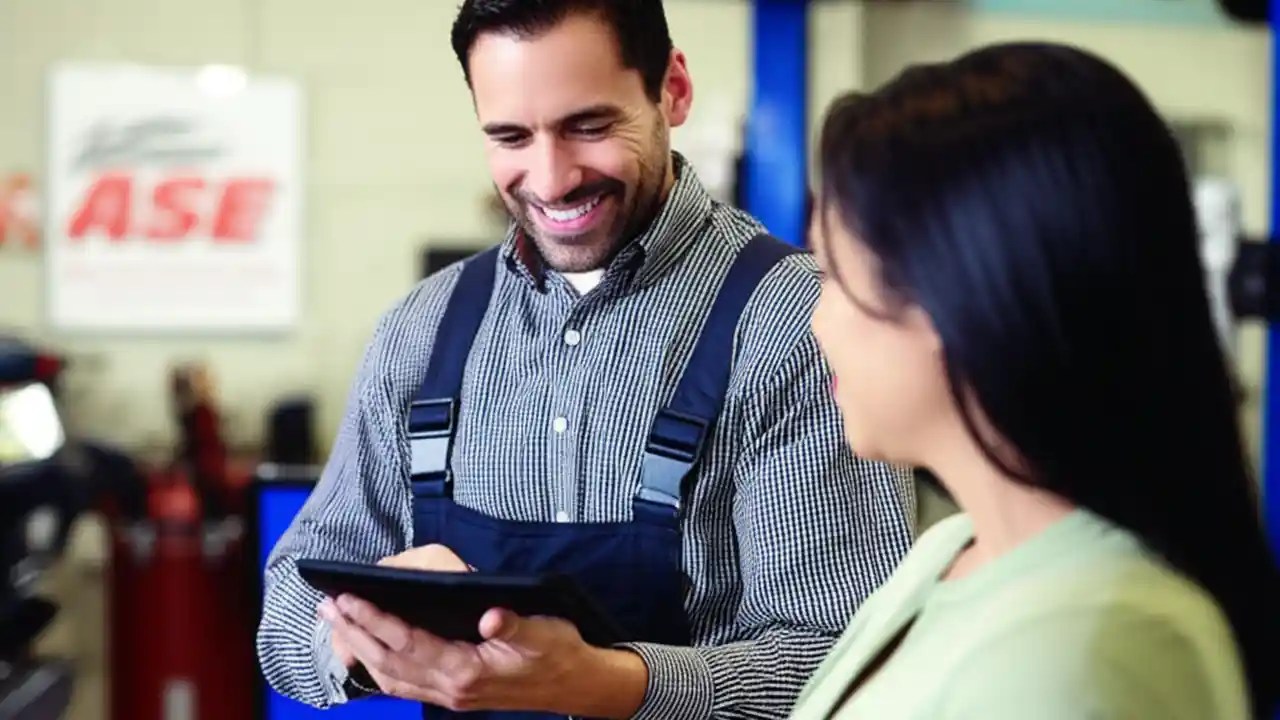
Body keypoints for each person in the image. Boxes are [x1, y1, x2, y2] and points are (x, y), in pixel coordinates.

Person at [256, 1, 916, 718]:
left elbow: (846, 663)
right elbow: (288, 611)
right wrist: (371, 631)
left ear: (673, 89)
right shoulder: (422, 331)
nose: (551, 179)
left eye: (588, 126)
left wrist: (606, 683)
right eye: (510, 136)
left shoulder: (796, 325)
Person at [789, 41, 1280, 719]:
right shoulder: (952, 550)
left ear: (946, 295)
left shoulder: (1090, 649)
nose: (817, 323)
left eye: (831, 276)